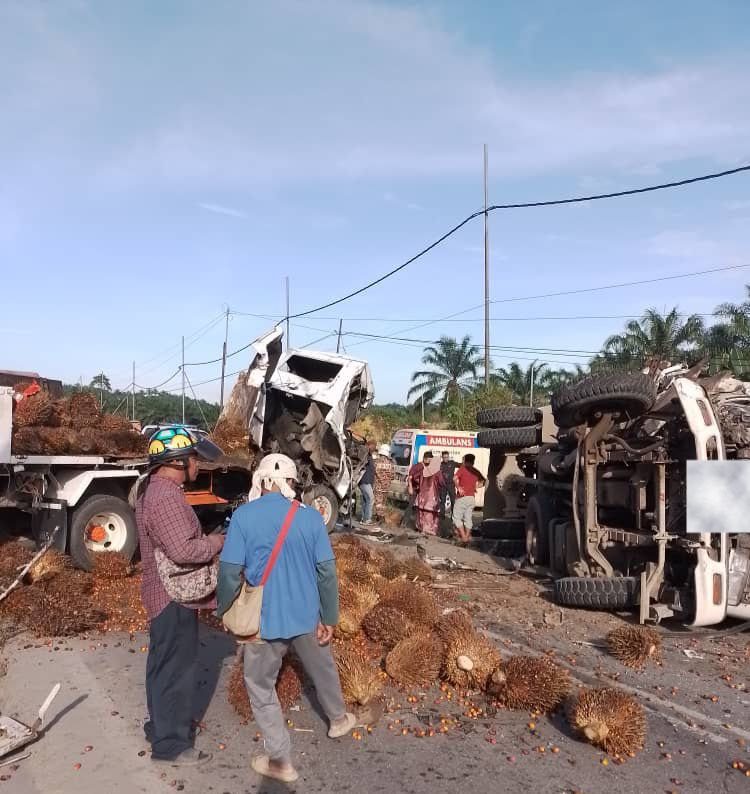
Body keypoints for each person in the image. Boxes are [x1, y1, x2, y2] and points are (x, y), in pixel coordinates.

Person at [217, 454, 355, 783]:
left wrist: (224, 609)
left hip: (265, 621)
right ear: (292, 483)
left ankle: (279, 760)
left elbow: (229, 572)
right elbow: (326, 571)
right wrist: (330, 616)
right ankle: (338, 719)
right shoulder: (310, 519)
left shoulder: (244, 517)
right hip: (308, 615)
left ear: (262, 481)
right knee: (322, 666)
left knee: (260, 685)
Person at [136, 425, 225, 767]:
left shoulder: (153, 490)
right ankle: (171, 743)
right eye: (193, 459)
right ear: (177, 461)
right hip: (172, 597)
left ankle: (158, 726)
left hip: (159, 594)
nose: (198, 466)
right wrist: (216, 543)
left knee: (161, 664)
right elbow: (183, 550)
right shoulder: (167, 496)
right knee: (177, 668)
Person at [453, 453, 486, 544]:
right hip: (471, 498)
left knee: (456, 517)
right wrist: (475, 487)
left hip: (462, 497)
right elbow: (484, 481)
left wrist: (458, 487)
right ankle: (467, 537)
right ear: (473, 461)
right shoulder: (475, 470)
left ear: (465, 460)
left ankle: (463, 537)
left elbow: (454, 478)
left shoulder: (463, 469)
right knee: (468, 518)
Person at [414, 453, 444, 536]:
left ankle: (421, 528)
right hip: (432, 496)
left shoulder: (424, 470)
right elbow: (442, 483)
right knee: (431, 514)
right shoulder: (438, 472)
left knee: (421, 512)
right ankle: (429, 529)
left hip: (421, 496)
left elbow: (415, 478)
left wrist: (418, 485)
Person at [401, 450, 428, 528]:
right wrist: (410, 487)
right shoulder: (417, 466)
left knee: (419, 507)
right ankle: (404, 523)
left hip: (421, 490)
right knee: (410, 506)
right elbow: (410, 477)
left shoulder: (426, 468)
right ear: (424, 459)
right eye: (428, 460)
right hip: (414, 488)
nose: (429, 462)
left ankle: (418, 525)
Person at [373, 443, 395, 521]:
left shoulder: (375, 462)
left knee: (378, 503)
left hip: (377, 486)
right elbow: (392, 476)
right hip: (386, 487)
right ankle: (382, 517)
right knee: (383, 503)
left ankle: (378, 517)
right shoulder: (391, 463)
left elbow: (373, 473)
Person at [358, 441, 376, 525]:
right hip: (365, 481)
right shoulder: (366, 455)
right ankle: (367, 519)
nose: (374, 448)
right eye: (373, 446)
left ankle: (363, 518)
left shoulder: (370, 455)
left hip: (366, 482)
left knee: (366, 500)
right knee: (370, 498)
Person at [439, 451, 457, 520]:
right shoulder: (440, 464)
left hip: (451, 485)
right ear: (442, 457)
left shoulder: (452, 463)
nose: (446, 458)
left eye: (447, 457)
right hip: (443, 486)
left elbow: (462, 465)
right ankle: (442, 516)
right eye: (444, 457)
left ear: (448, 457)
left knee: (453, 501)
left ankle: (454, 516)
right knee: (442, 501)